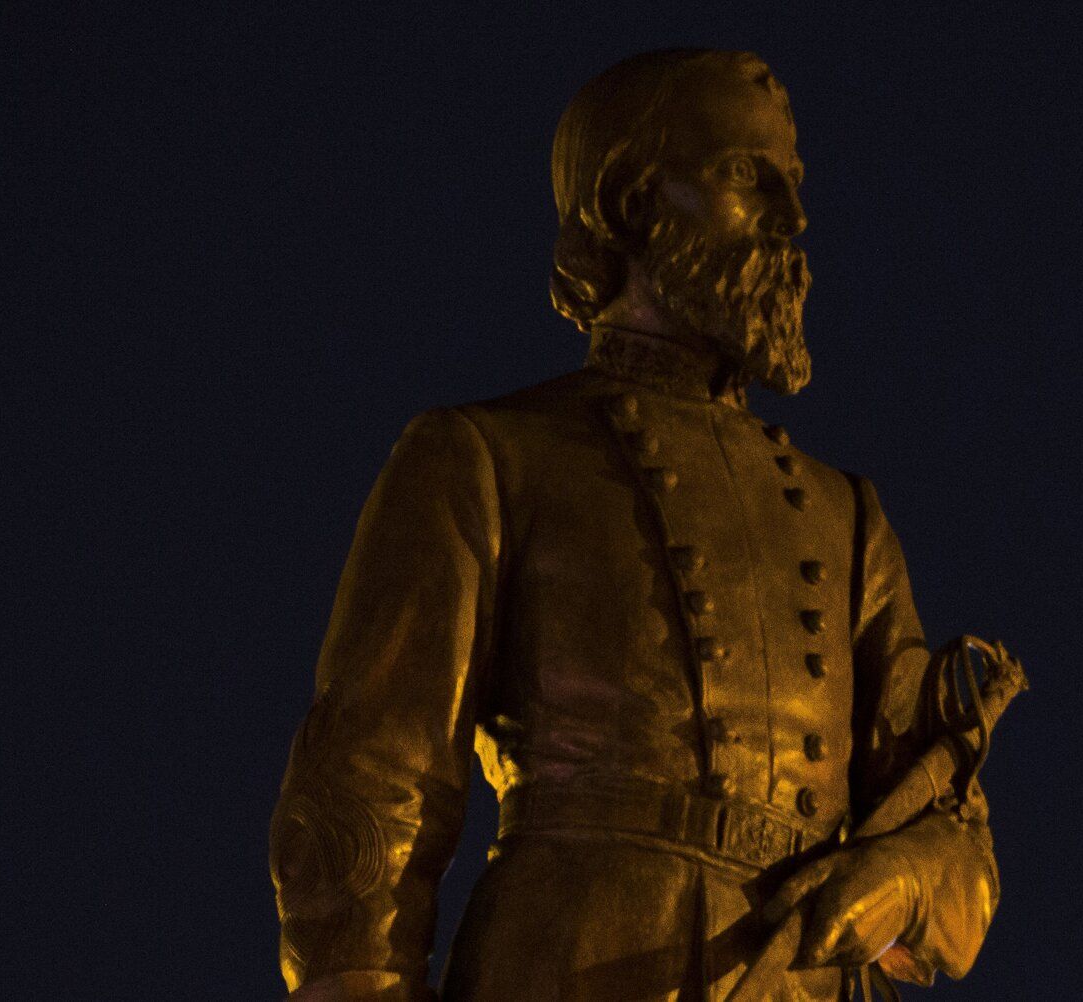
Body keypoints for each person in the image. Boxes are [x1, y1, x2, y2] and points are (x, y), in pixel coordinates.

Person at [270, 49, 1002, 1001]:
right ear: (629, 202)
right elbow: (366, 799)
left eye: (794, 181)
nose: (793, 218)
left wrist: (906, 879)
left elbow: (957, 841)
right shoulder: (486, 456)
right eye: (747, 175)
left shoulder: (846, 516)